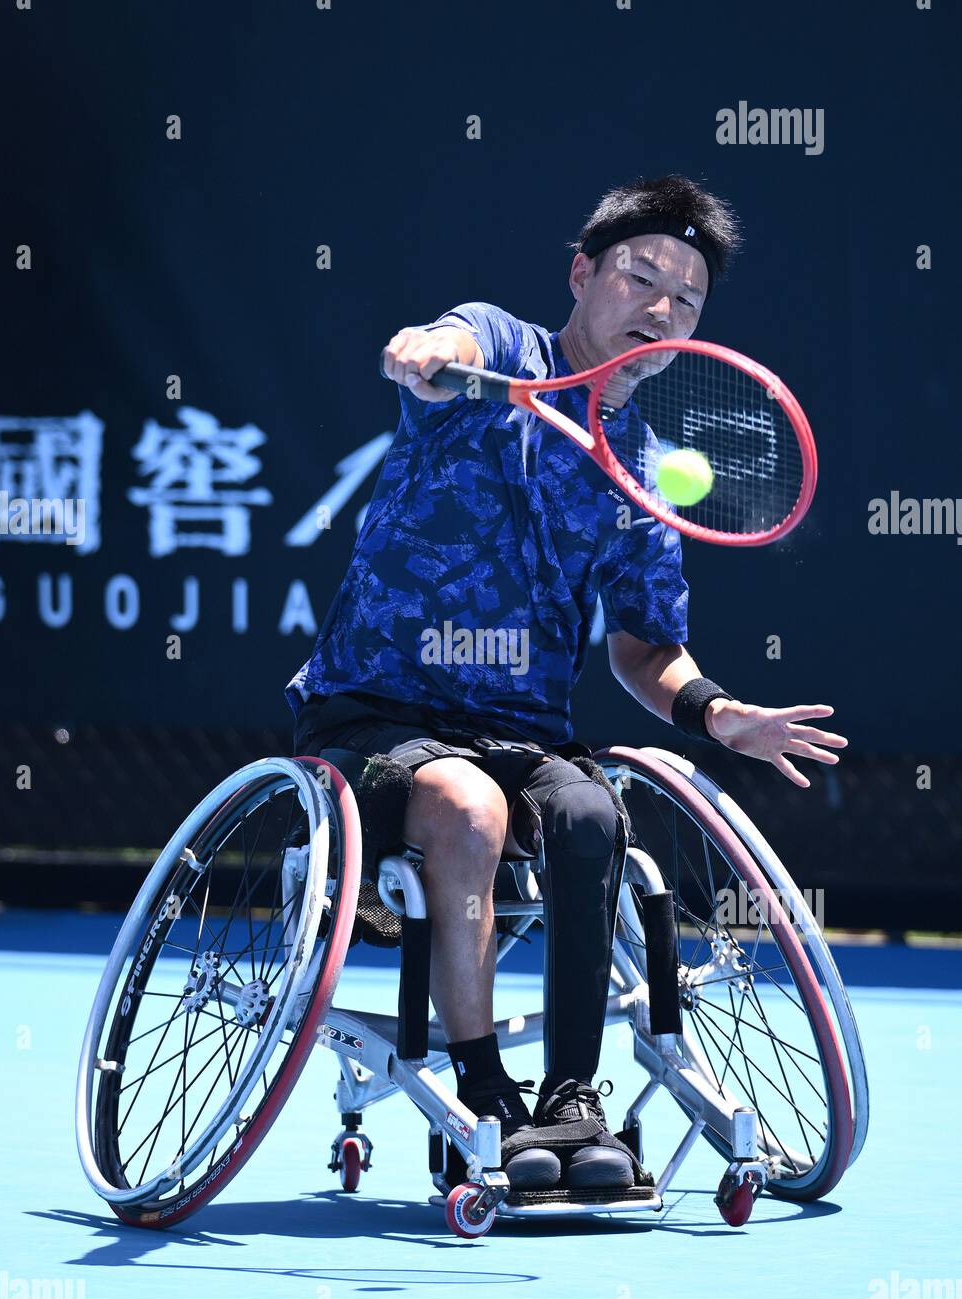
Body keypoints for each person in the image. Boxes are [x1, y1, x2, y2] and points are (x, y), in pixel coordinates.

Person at [285, 174, 847, 1193]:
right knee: (461, 802)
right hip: (372, 712)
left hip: (520, 731)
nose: (661, 307)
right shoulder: (499, 351)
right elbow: (433, 343)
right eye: (640, 277)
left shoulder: (643, 471)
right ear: (582, 274)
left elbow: (642, 646)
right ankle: (484, 1091)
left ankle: (571, 1099)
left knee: (591, 814)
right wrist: (426, 355)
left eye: (686, 299)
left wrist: (719, 712)